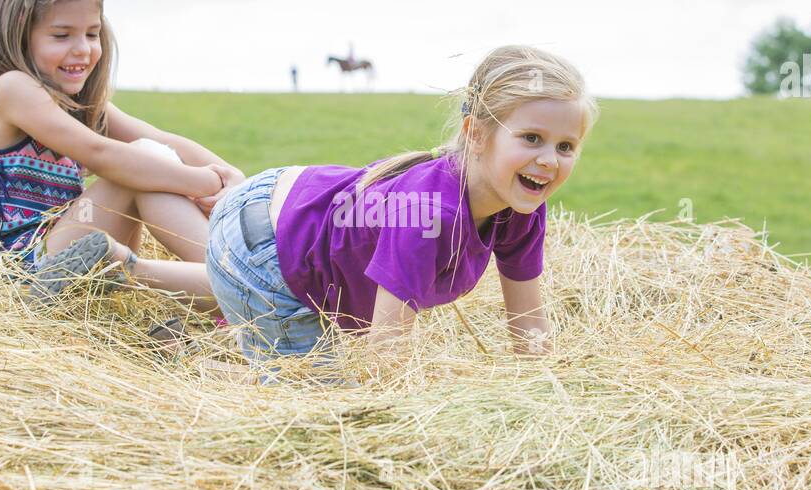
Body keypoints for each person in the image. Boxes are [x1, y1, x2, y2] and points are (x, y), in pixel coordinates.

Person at [205, 44, 596, 379]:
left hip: (297, 206)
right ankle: (194, 364)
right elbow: (386, 358)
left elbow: (528, 327)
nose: (549, 161)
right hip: (262, 245)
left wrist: (549, 392)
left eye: (565, 146)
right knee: (321, 401)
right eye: (532, 138)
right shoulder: (430, 216)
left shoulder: (521, 205)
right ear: (476, 133)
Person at [0, 0, 244, 306]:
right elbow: (101, 155)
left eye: (92, 34)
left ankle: (236, 279)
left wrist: (236, 183)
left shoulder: (77, 104)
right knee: (138, 167)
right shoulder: (11, 89)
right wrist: (204, 184)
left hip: (73, 254)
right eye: (61, 35)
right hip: (19, 273)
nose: (82, 50)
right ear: (21, 28)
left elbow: (161, 139)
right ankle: (242, 278)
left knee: (149, 158)